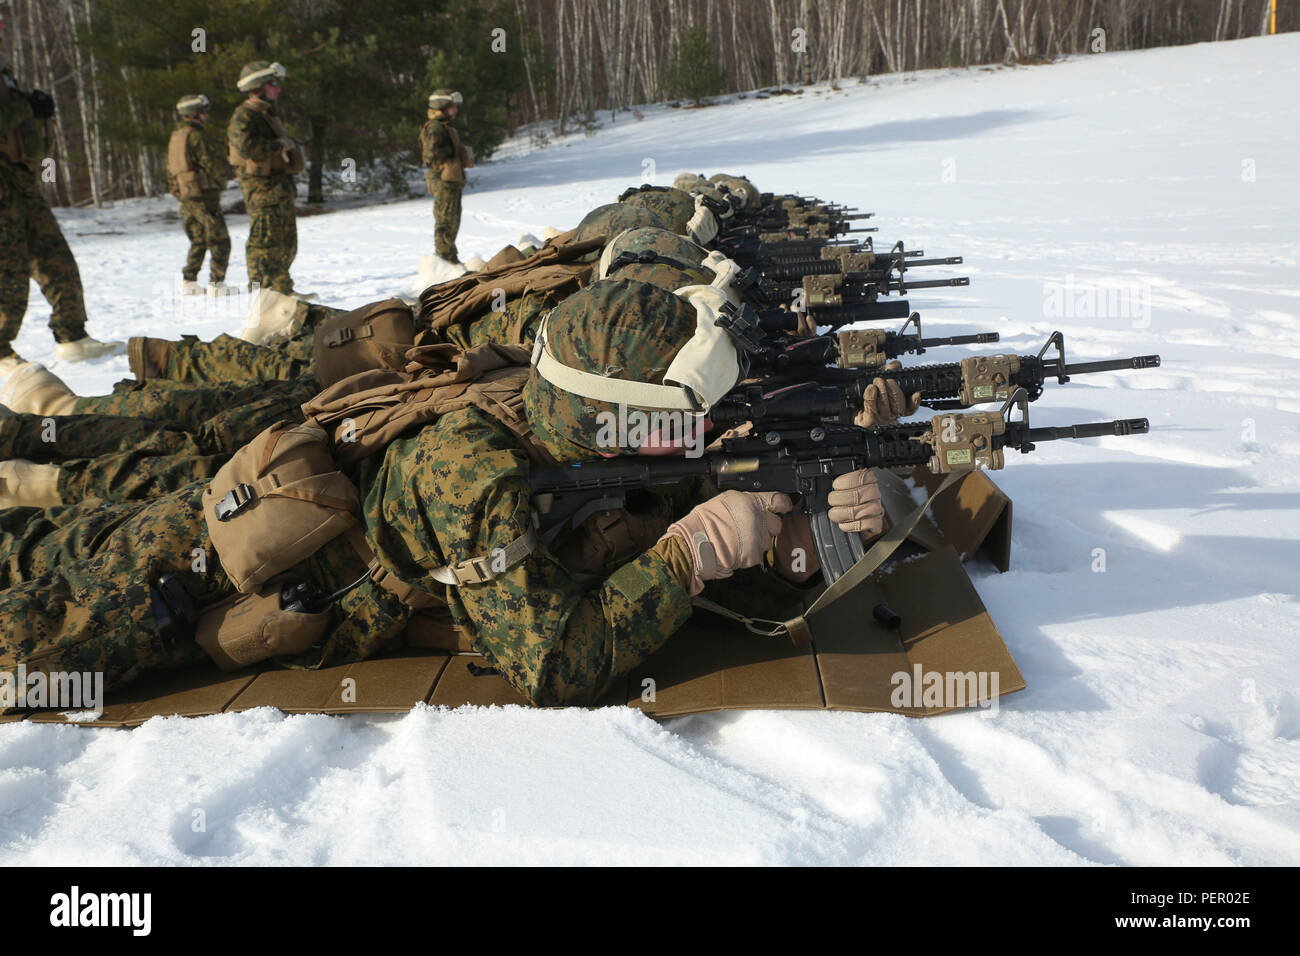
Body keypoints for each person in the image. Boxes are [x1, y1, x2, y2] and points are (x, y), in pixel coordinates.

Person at [0, 277, 899, 707]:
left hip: (249, 513)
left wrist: (803, 524)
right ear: (613, 414)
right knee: (24, 642)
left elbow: (663, 486)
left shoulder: (562, 420)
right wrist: (689, 551)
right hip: (186, 577)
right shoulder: (483, 471)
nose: (695, 428)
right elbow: (553, 665)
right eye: (678, 413)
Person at [0, 0, 122, 374]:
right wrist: (25, 106)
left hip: (18, 182)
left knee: (56, 259)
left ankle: (72, 336)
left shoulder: (4, 74)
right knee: (9, 268)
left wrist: (37, 114)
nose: (3, 24)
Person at [226, 60, 305, 294]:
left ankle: (282, 290)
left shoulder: (266, 114)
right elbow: (246, 147)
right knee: (265, 244)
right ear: (259, 86)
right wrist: (278, 144)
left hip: (278, 189)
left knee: (286, 244)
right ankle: (264, 294)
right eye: (273, 83)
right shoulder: (244, 115)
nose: (278, 88)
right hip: (262, 191)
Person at [167, 93, 234, 296]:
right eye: (203, 112)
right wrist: (221, 182)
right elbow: (212, 165)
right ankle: (217, 284)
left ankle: (189, 281)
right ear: (195, 114)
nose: (206, 116)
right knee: (220, 240)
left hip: (186, 197)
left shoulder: (176, 137)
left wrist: (179, 192)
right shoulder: (197, 137)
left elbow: (170, 170)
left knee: (198, 240)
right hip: (204, 196)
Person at [419, 89, 474, 264]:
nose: (455, 110)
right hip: (444, 181)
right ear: (442, 107)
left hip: (451, 181)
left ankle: (449, 258)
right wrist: (452, 156)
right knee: (445, 222)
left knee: (453, 220)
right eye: (452, 107)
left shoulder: (444, 127)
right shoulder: (434, 128)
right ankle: (446, 260)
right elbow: (431, 156)